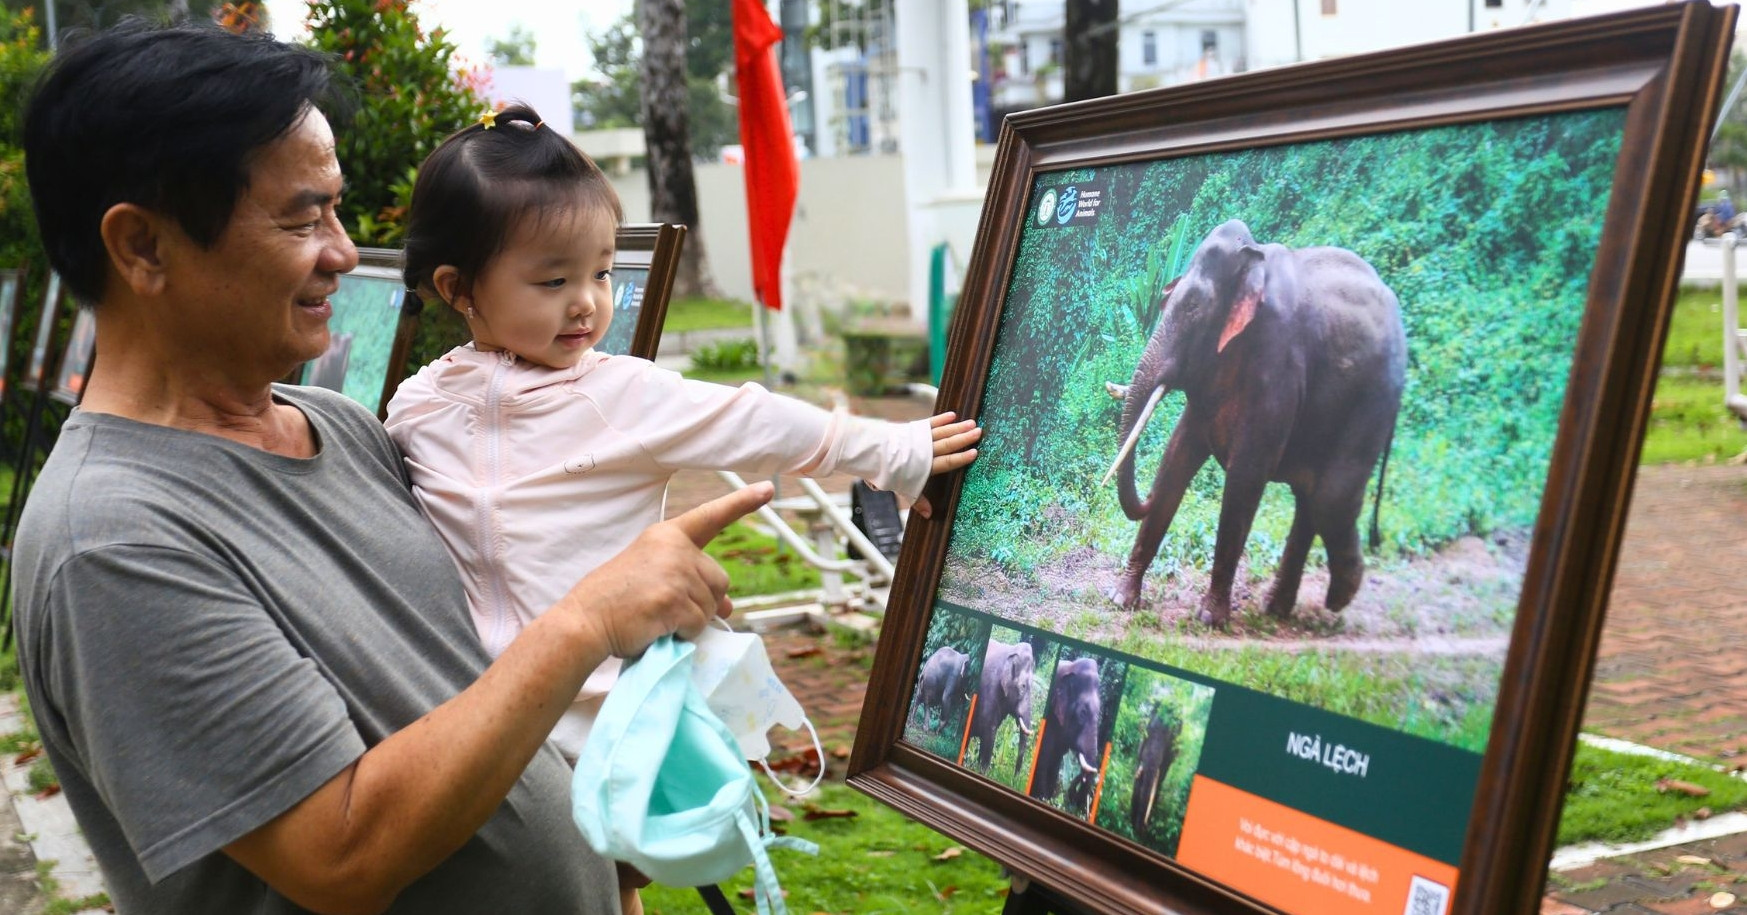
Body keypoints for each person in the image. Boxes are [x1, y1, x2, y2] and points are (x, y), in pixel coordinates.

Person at [13, 21, 772, 915]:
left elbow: (472, 679)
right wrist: (590, 620)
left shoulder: (338, 426)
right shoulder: (111, 539)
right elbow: (340, 851)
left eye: (335, 209)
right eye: (303, 216)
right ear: (142, 246)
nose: (342, 251)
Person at [384, 102, 981, 757]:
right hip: (474, 712)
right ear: (458, 288)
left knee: (629, 854)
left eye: (602, 272)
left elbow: (758, 422)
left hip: (610, 715)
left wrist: (895, 450)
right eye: (553, 279)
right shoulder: (417, 405)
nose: (586, 300)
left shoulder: (622, 392)